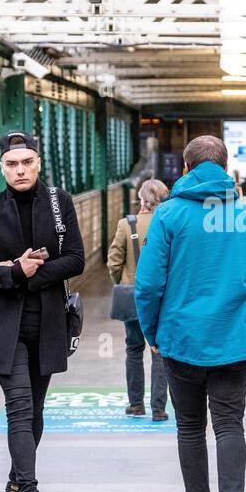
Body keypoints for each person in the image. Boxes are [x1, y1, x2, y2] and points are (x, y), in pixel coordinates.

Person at [134, 135, 246, 492]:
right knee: (229, 424)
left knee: (190, 427)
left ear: (186, 169)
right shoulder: (244, 215)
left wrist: (152, 333)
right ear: (225, 167)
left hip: (181, 340)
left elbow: (149, 284)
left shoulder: (169, 215)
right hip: (233, 342)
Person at [0, 131, 85, 492]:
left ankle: (15, 483)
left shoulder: (59, 203)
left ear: (38, 163)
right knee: (18, 406)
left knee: (34, 411)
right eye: (12, 165)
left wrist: (30, 273)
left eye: (27, 163)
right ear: (2, 168)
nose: (20, 170)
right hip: (6, 326)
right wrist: (15, 271)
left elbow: (76, 260)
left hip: (48, 321)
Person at [108, 178, 171, 422]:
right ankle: (159, 408)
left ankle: (136, 404)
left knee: (133, 349)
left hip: (133, 294)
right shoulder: (168, 223)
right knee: (159, 352)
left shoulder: (127, 225)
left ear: (142, 199)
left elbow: (114, 261)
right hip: (162, 299)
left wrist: (122, 281)